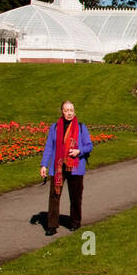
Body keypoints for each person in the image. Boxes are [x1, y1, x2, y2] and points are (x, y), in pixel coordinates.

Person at [35, 100, 93, 236]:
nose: (69, 113)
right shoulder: (55, 128)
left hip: (76, 167)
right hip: (58, 167)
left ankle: (75, 222)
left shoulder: (81, 127)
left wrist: (79, 151)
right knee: (54, 196)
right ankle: (51, 225)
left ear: (74, 112)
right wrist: (44, 165)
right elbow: (49, 147)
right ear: (62, 111)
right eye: (66, 110)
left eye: (71, 110)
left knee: (75, 196)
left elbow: (89, 146)